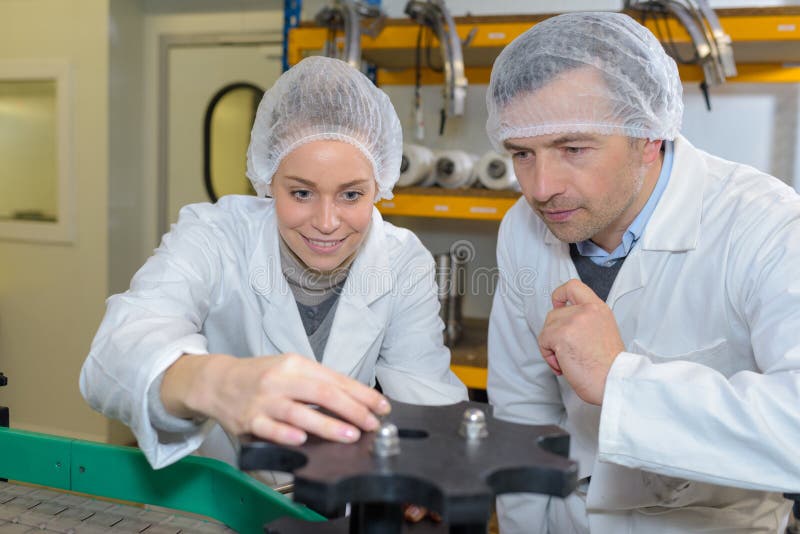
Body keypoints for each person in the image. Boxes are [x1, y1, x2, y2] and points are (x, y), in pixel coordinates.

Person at [485, 11, 800, 533]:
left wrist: (620, 381)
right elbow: (523, 409)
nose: (540, 188)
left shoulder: (766, 225)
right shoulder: (523, 227)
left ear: (648, 135)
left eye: (573, 148)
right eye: (523, 153)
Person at [80, 56, 467, 476]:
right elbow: (114, 356)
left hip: (338, 502)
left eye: (351, 195)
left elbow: (424, 391)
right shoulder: (214, 235)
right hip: (217, 504)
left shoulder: (401, 259)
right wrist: (216, 382)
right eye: (301, 193)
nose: (326, 221)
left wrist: (433, 470)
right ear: (267, 180)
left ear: (381, 185)